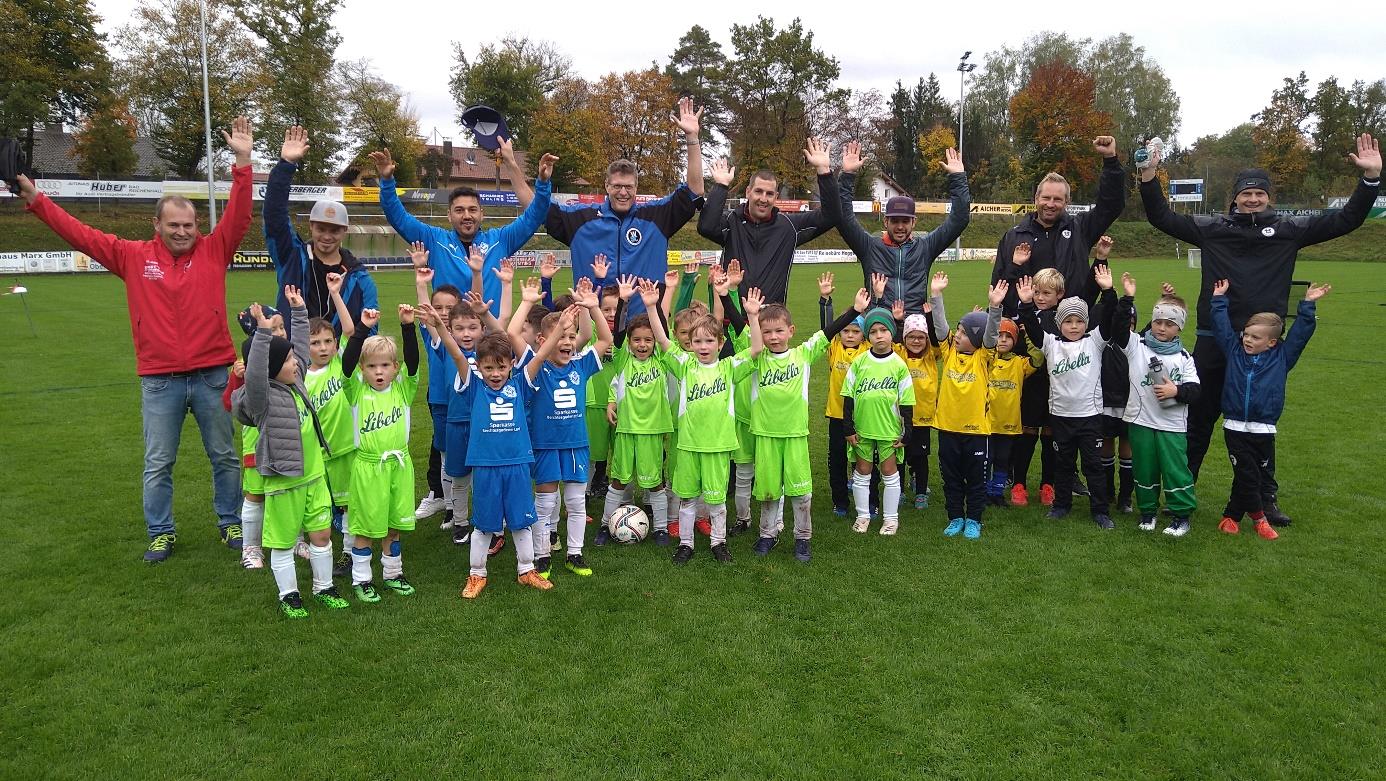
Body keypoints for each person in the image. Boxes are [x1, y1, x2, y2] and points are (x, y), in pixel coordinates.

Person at [13, 116, 256, 562]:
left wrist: (243, 161)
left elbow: (240, 214)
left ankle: (230, 523)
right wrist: (37, 199)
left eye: (189, 225)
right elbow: (80, 234)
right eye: (174, 225)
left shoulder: (215, 249)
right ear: (157, 224)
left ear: (198, 226)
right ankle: (160, 532)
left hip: (211, 375)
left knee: (223, 456)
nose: (182, 231)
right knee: (158, 463)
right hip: (159, 380)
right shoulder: (131, 256)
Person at [1138, 134, 1379, 526]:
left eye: (1259, 193)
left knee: (1258, 424)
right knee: (1197, 419)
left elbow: (1346, 219)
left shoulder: (1289, 230)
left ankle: (1263, 500)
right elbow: (1161, 217)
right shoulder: (1213, 228)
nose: (1252, 199)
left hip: (1262, 345)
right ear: (1234, 197)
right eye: (1245, 193)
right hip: (1216, 341)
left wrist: (1369, 180)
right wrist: (1148, 174)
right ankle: (1183, 492)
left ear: (1268, 197)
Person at [232, 288, 349, 618]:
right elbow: (256, 370)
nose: (295, 363)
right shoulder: (262, 397)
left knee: (323, 535)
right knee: (282, 542)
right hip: (285, 482)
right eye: (285, 362)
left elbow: (296, 347)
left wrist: (298, 312)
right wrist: (264, 331)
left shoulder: (295, 381)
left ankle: (324, 587)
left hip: (313, 477)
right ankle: (289, 594)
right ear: (270, 368)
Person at [445, 295, 557, 600]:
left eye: (501, 367)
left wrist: (560, 331)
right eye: (489, 368)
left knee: (522, 519)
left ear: (510, 366)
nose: (496, 373)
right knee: (484, 524)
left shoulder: (519, 384)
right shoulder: (474, 388)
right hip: (486, 465)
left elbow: (540, 356)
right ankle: (476, 574)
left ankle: (526, 570)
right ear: (479, 368)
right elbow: (456, 354)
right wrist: (439, 329)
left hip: (518, 462)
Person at [748, 283, 869, 562]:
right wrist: (753, 316)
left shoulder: (802, 355)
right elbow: (752, 340)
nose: (773, 337)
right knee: (768, 490)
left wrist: (855, 310)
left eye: (779, 331)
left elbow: (828, 332)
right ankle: (767, 534)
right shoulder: (755, 359)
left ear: (791, 331)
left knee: (801, 491)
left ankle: (803, 537)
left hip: (794, 434)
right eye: (767, 332)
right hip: (765, 434)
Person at [547, 98, 705, 312]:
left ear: (636, 187)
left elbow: (695, 191)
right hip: (597, 329)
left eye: (629, 187)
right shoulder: (580, 219)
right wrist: (513, 164)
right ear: (606, 185)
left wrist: (692, 138)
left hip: (644, 331)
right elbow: (538, 210)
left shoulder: (657, 216)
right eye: (617, 186)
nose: (623, 192)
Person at [367, 146, 557, 317]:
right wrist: (386, 180)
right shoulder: (435, 240)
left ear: (482, 214)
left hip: (489, 341)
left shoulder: (500, 240)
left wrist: (542, 183)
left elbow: (534, 217)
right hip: (448, 339)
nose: (466, 215)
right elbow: (398, 217)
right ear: (449, 216)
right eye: (459, 210)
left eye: (472, 210)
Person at [646, 279, 760, 564]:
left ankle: (718, 542)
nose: (703, 345)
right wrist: (651, 307)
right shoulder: (685, 365)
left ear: (720, 343)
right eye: (697, 341)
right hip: (688, 445)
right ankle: (686, 543)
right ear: (690, 344)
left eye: (710, 340)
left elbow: (756, 348)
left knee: (717, 500)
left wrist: (754, 316)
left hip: (719, 446)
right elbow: (662, 340)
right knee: (687, 499)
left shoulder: (729, 367)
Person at [1210, 278, 1330, 540]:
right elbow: (1220, 329)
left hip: (1264, 428)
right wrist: (1219, 300)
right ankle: (1260, 521)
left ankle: (1230, 516)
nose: (1247, 340)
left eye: (1255, 337)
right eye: (1246, 334)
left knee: (1252, 474)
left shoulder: (1282, 357)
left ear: (1272, 342)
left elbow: (1300, 335)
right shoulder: (1234, 351)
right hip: (1235, 427)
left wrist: (1308, 305)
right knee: (1248, 473)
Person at [509, 276, 613, 579]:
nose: (566, 342)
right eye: (560, 336)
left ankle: (575, 553)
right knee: (545, 502)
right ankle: (542, 555)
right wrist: (527, 301)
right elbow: (513, 332)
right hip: (544, 445)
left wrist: (592, 308)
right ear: (543, 341)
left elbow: (604, 340)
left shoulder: (580, 364)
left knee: (575, 502)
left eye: (570, 337)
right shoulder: (535, 363)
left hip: (576, 444)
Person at [1017, 268, 1119, 529]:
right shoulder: (1051, 343)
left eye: (1079, 321)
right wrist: (1027, 304)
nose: (1074, 326)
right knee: (1063, 465)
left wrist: (1108, 291)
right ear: (1059, 323)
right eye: (1068, 322)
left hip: (1090, 417)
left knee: (1093, 466)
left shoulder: (1095, 341)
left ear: (1086, 323)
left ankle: (1100, 511)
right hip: (1061, 416)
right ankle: (1061, 505)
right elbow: (1031, 327)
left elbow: (1110, 315)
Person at [339, 304, 420, 600]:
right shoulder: (357, 391)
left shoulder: (403, 389)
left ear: (394, 368)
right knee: (365, 527)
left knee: (393, 526)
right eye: (372, 366)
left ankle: (393, 573)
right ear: (363, 370)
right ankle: (361, 579)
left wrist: (408, 327)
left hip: (399, 466)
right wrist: (361, 330)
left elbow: (413, 362)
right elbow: (346, 365)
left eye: (385, 365)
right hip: (369, 468)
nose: (379, 371)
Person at [1109, 273, 1201, 537]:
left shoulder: (1184, 358)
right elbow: (1118, 328)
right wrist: (1127, 299)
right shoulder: (1136, 345)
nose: (1161, 328)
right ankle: (1147, 513)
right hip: (1140, 420)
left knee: (1175, 470)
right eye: (1158, 322)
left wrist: (1176, 390)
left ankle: (1181, 516)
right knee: (1144, 469)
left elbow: (1195, 391)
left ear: (1179, 328)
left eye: (1169, 324)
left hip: (1171, 424)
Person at [992, 136, 1127, 314]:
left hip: (1070, 327)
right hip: (1026, 326)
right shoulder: (1013, 236)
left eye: (1057, 199)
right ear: (1036, 199)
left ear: (1067, 203)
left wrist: (1110, 160)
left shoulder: (1080, 228)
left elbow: (1111, 205)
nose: (1050, 204)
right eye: (1046, 198)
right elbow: (999, 285)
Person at [698, 138, 840, 305]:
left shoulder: (788, 227)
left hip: (771, 323)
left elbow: (831, 216)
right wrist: (721, 186)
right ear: (748, 192)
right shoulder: (732, 221)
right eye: (758, 191)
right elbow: (705, 227)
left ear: (776, 197)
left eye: (769, 193)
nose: (763, 199)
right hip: (733, 320)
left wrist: (824, 172)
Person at [265, 125, 377, 336]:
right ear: (311, 226)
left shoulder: (359, 277)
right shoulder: (292, 259)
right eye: (321, 228)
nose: (327, 236)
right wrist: (286, 165)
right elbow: (274, 217)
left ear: (344, 231)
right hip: (295, 360)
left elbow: (370, 329)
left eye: (334, 230)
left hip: (339, 364)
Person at [839, 141, 971, 310]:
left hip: (914, 330)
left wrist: (958, 178)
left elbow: (959, 219)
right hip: (881, 329)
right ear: (886, 221)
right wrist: (848, 174)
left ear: (913, 222)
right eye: (894, 221)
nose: (900, 226)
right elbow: (844, 219)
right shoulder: (869, 247)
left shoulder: (925, 247)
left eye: (905, 221)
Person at [601, 278, 676, 544]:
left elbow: (663, 333)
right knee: (619, 481)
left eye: (648, 340)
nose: (642, 345)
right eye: (637, 340)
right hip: (627, 429)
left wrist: (652, 306)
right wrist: (623, 301)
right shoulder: (622, 359)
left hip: (653, 431)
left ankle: (661, 528)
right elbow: (618, 333)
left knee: (654, 482)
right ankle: (604, 525)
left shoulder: (663, 360)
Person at [932, 282, 1005, 539]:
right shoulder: (950, 352)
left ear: (975, 338)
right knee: (951, 479)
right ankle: (955, 517)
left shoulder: (984, 358)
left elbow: (991, 336)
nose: (957, 335)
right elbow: (940, 327)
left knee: (976, 480)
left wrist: (995, 308)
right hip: (947, 429)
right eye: (959, 331)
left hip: (976, 432)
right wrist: (937, 295)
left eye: (963, 332)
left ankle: (974, 519)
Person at [300, 274, 358, 575]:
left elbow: (349, 328)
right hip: (321, 454)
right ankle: (308, 542)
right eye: (315, 343)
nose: (323, 348)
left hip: (350, 448)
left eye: (327, 342)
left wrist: (335, 293)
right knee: (322, 504)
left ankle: (349, 553)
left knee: (349, 504)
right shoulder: (302, 379)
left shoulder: (339, 364)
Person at [842, 307, 916, 536]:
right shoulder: (860, 362)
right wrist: (848, 427)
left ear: (892, 333)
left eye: (883, 330)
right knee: (862, 471)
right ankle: (863, 515)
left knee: (889, 472)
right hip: (863, 427)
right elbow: (848, 396)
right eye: (873, 331)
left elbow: (906, 401)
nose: (879, 335)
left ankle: (891, 519)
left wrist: (908, 430)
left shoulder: (898, 365)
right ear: (868, 336)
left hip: (889, 429)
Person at [819, 273, 873, 516]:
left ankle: (870, 502)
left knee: (864, 459)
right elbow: (827, 330)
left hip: (862, 416)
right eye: (846, 332)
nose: (850, 335)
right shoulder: (834, 349)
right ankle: (840, 501)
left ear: (863, 336)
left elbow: (879, 328)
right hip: (837, 415)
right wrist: (825, 300)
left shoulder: (867, 351)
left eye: (855, 332)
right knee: (837, 460)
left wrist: (877, 299)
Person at [985, 317, 1039, 506]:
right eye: (999, 335)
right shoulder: (986, 360)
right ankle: (985, 492)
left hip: (1009, 425)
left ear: (1015, 341)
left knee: (1002, 460)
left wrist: (1028, 335)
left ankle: (997, 493)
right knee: (986, 460)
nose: (1003, 340)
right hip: (986, 423)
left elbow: (1038, 357)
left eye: (1008, 336)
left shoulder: (1019, 363)